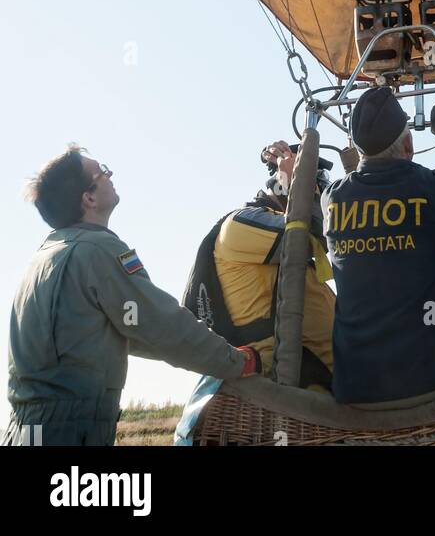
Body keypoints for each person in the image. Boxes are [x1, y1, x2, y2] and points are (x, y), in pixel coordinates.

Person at [4, 146, 260, 447]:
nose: (111, 177)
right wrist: (235, 361)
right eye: (103, 172)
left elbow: (130, 330)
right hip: (69, 430)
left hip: (25, 429)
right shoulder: (97, 250)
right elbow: (161, 325)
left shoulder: (45, 256)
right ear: (89, 197)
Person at [323, 87, 435, 406]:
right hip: (431, 383)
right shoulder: (427, 187)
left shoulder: (332, 200)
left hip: (355, 392)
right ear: (409, 144)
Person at [182, 139, 334, 388]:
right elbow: (312, 236)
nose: (319, 186)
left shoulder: (279, 221)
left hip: (325, 380)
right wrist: (299, 183)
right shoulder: (241, 224)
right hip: (293, 388)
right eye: (314, 177)